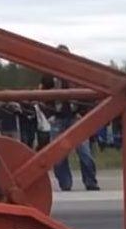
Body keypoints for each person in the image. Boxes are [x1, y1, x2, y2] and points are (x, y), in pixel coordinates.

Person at [39, 50, 99, 191]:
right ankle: (65, 185)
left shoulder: (77, 74)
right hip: (57, 118)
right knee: (58, 155)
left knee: (85, 152)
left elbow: (89, 95)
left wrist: (82, 113)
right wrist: (49, 115)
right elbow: (41, 96)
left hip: (75, 117)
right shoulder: (48, 75)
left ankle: (91, 182)